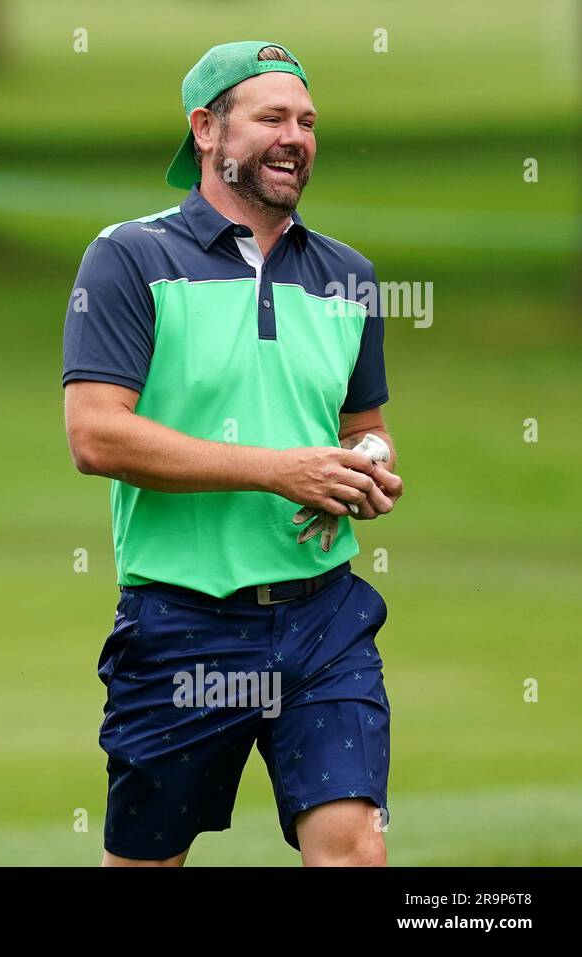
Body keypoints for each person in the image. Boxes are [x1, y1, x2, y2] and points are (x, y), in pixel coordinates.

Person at [62, 41, 404, 866]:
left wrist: (367, 465)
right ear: (207, 130)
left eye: (308, 121)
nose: (296, 137)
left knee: (353, 846)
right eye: (273, 118)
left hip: (325, 618)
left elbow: (367, 425)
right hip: (180, 622)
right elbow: (95, 433)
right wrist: (281, 468)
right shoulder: (129, 257)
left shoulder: (348, 276)